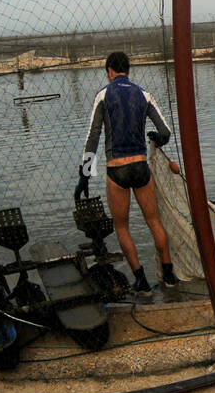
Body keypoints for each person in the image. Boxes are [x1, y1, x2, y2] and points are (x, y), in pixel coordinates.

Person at [75, 51, 178, 292]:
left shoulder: (103, 95)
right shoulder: (144, 94)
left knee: (122, 227)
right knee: (154, 221)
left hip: (117, 171)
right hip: (141, 167)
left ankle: (141, 281)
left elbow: (93, 136)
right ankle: (169, 275)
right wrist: (156, 139)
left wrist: (85, 174)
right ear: (128, 70)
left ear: (110, 70)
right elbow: (165, 132)